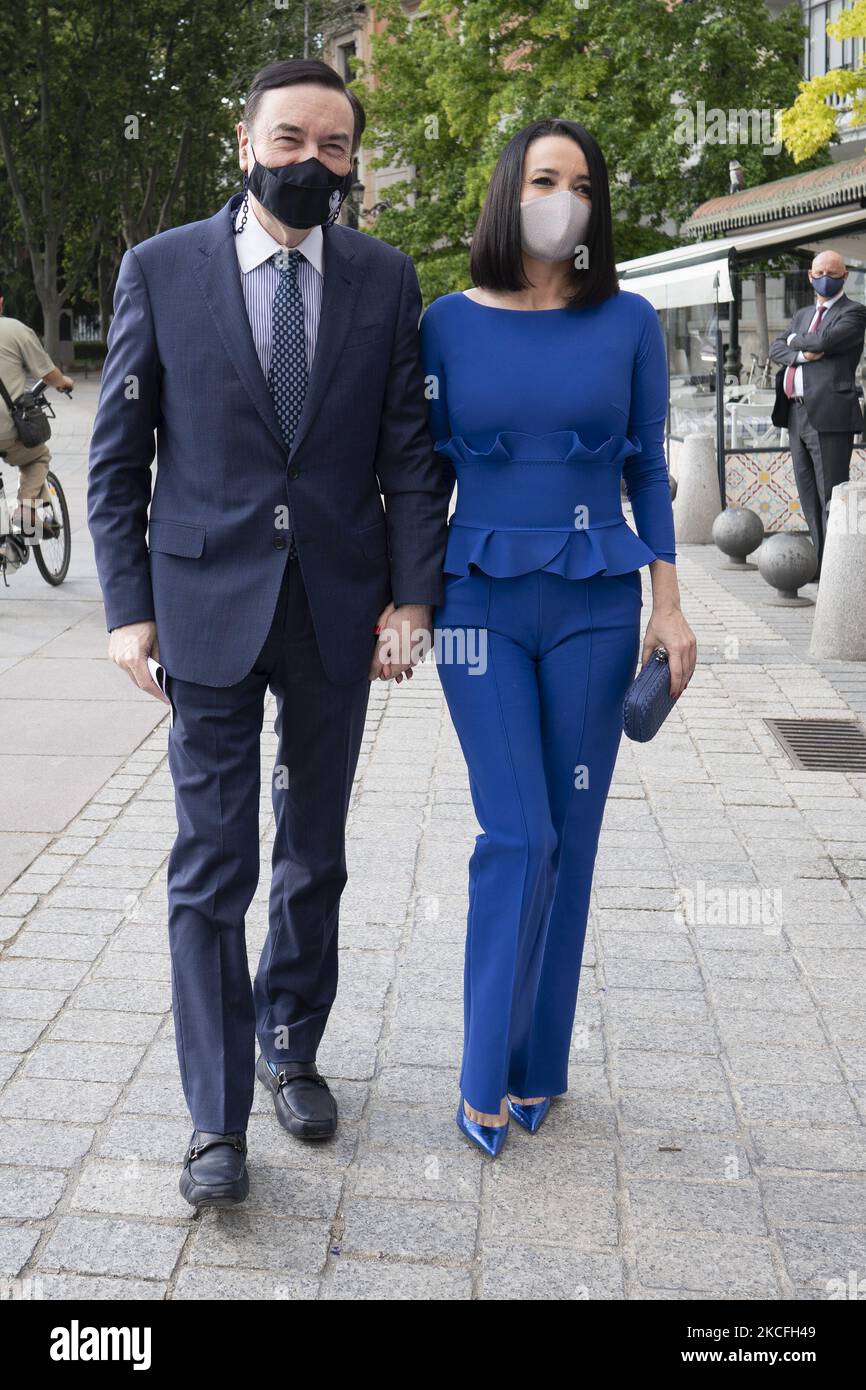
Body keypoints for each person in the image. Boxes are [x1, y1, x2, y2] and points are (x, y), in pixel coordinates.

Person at [87, 58, 449, 1208]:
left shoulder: (388, 281)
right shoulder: (161, 268)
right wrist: (126, 608)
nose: (309, 163)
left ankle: (289, 1042)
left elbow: (409, 455)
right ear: (242, 144)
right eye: (287, 140)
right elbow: (116, 459)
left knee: (315, 850)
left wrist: (412, 597)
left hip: (338, 606)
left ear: (352, 162)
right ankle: (213, 1120)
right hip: (200, 608)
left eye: (332, 148)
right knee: (211, 865)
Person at [420, 117, 696, 1157]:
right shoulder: (441, 322)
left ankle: (541, 1066)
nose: (561, 197)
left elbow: (645, 474)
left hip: (594, 605)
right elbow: (420, 476)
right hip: (474, 608)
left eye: (581, 183)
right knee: (517, 833)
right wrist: (402, 602)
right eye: (543, 178)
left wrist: (667, 604)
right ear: (507, 189)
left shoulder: (625, 319)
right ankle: (480, 1069)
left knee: (569, 846)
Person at [770, 250, 866, 581]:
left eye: (833, 272)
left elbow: (826, 339)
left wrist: (795, 344)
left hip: (830, 414)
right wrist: (803, 352)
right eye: (819, 271)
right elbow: (776, 347)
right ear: (810, 276)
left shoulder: (854, 313)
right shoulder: (802, 314)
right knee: (808, 494)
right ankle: (821, 567)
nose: (825, 276)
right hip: (796, 414)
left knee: (832, 495)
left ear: (844, 277)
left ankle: (838, 569)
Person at [0, 290, 73, 538]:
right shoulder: (14, 330)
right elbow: (48, 374)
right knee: (37, 456)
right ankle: (26, 509)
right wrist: (64, 382)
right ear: (1, 302)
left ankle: (31, 529)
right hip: (6, 431)